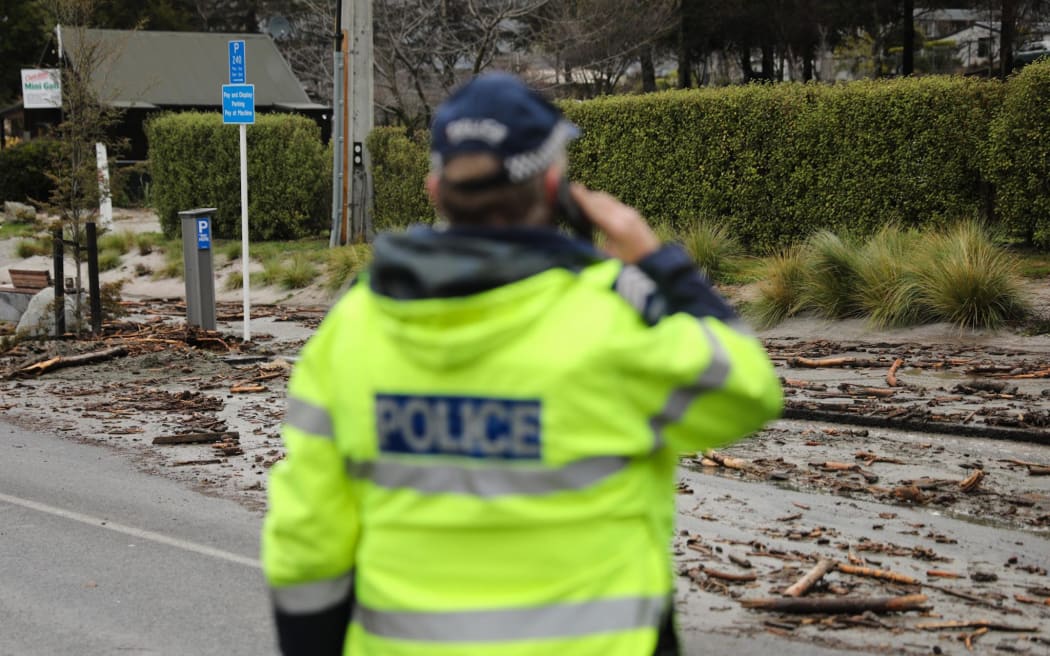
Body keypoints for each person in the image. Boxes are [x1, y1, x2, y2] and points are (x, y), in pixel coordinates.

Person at [261, 72, 783, 656]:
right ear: (556, 187)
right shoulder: (613, 319)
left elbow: (306, 539)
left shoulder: (353, 326)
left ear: (435, 189)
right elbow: (749, 390)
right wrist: (662, 264)